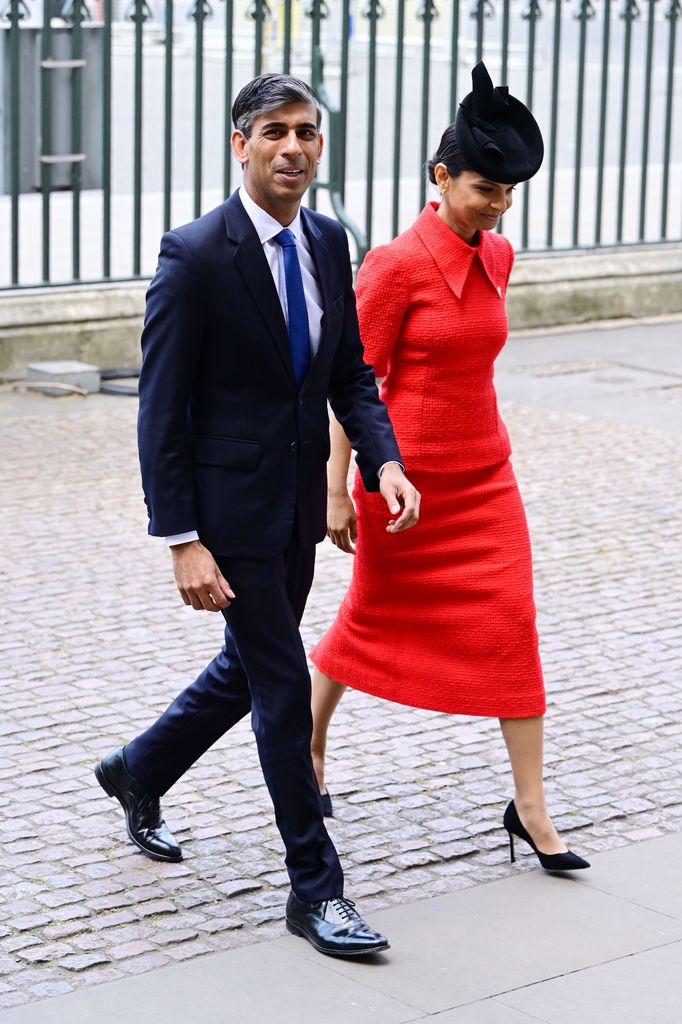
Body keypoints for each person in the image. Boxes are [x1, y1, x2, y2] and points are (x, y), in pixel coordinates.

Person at [94, 73, 420, 958]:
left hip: (295, 509)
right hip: (227, 516)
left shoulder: (327, 240)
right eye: (274, 131)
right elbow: (161, 411)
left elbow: (349, 370)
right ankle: (317, 890)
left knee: (247, 668)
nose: (293, 147)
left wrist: (383, 459)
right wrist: (182, 541)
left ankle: (138, 769)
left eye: (307, 132)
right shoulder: (195, 254)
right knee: (282, 684)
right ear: (240, 144)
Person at [309, 63, 589, 872]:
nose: (497, 204)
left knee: (512, 624)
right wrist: (338, 491)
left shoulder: (499, 257)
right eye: (482, 187)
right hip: (404, 485)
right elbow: (350, 382)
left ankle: (530, 810)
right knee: (366, 622)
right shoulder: (393, 266)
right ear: (441, 176)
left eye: (506, 190)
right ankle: (312, 745)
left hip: (486, 479)